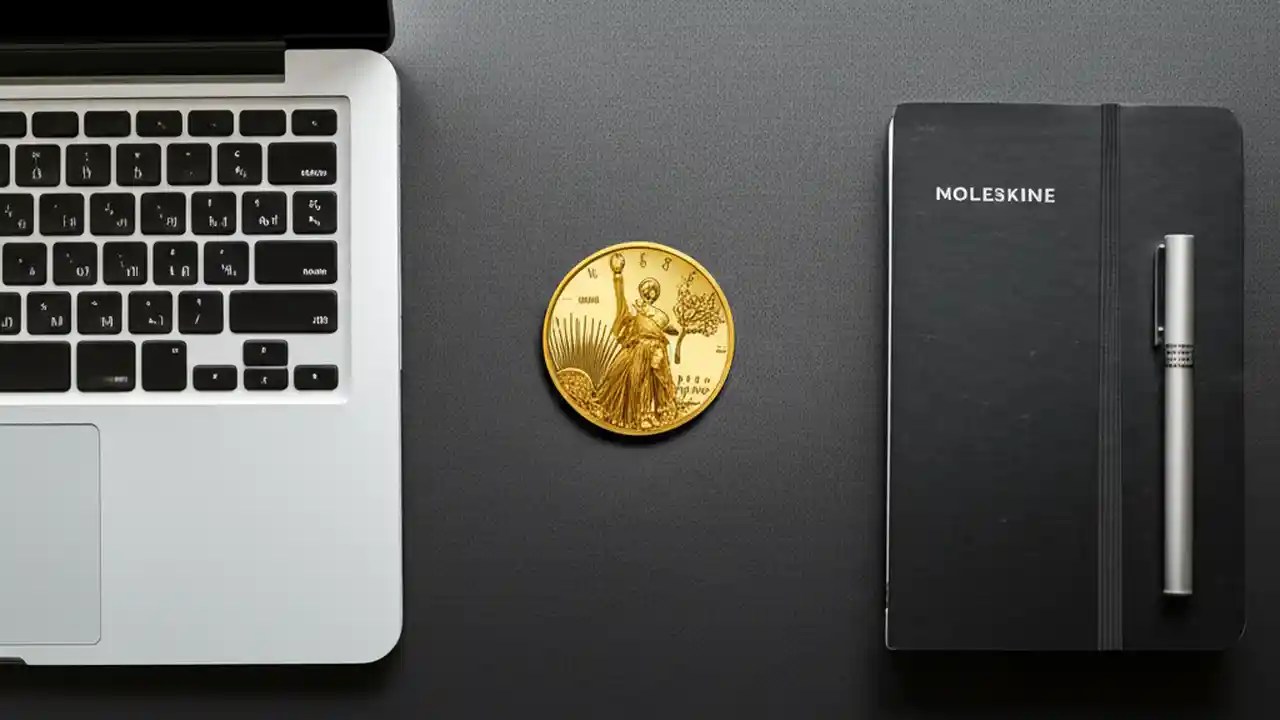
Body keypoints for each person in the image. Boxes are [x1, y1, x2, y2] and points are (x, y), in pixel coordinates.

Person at [594, 252, 680, 430]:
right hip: (638, 350)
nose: (649, 295)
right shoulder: (635, 310)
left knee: (656, 383)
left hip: (656, 351)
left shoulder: (660, 316)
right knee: (634, 379)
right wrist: (618, 276)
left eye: (652, 292)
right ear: (642, 292)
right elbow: (620, 301)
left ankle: (653, 413)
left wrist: (674, 330)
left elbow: (669, 329)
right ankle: (637, 415)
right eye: (646, 291)